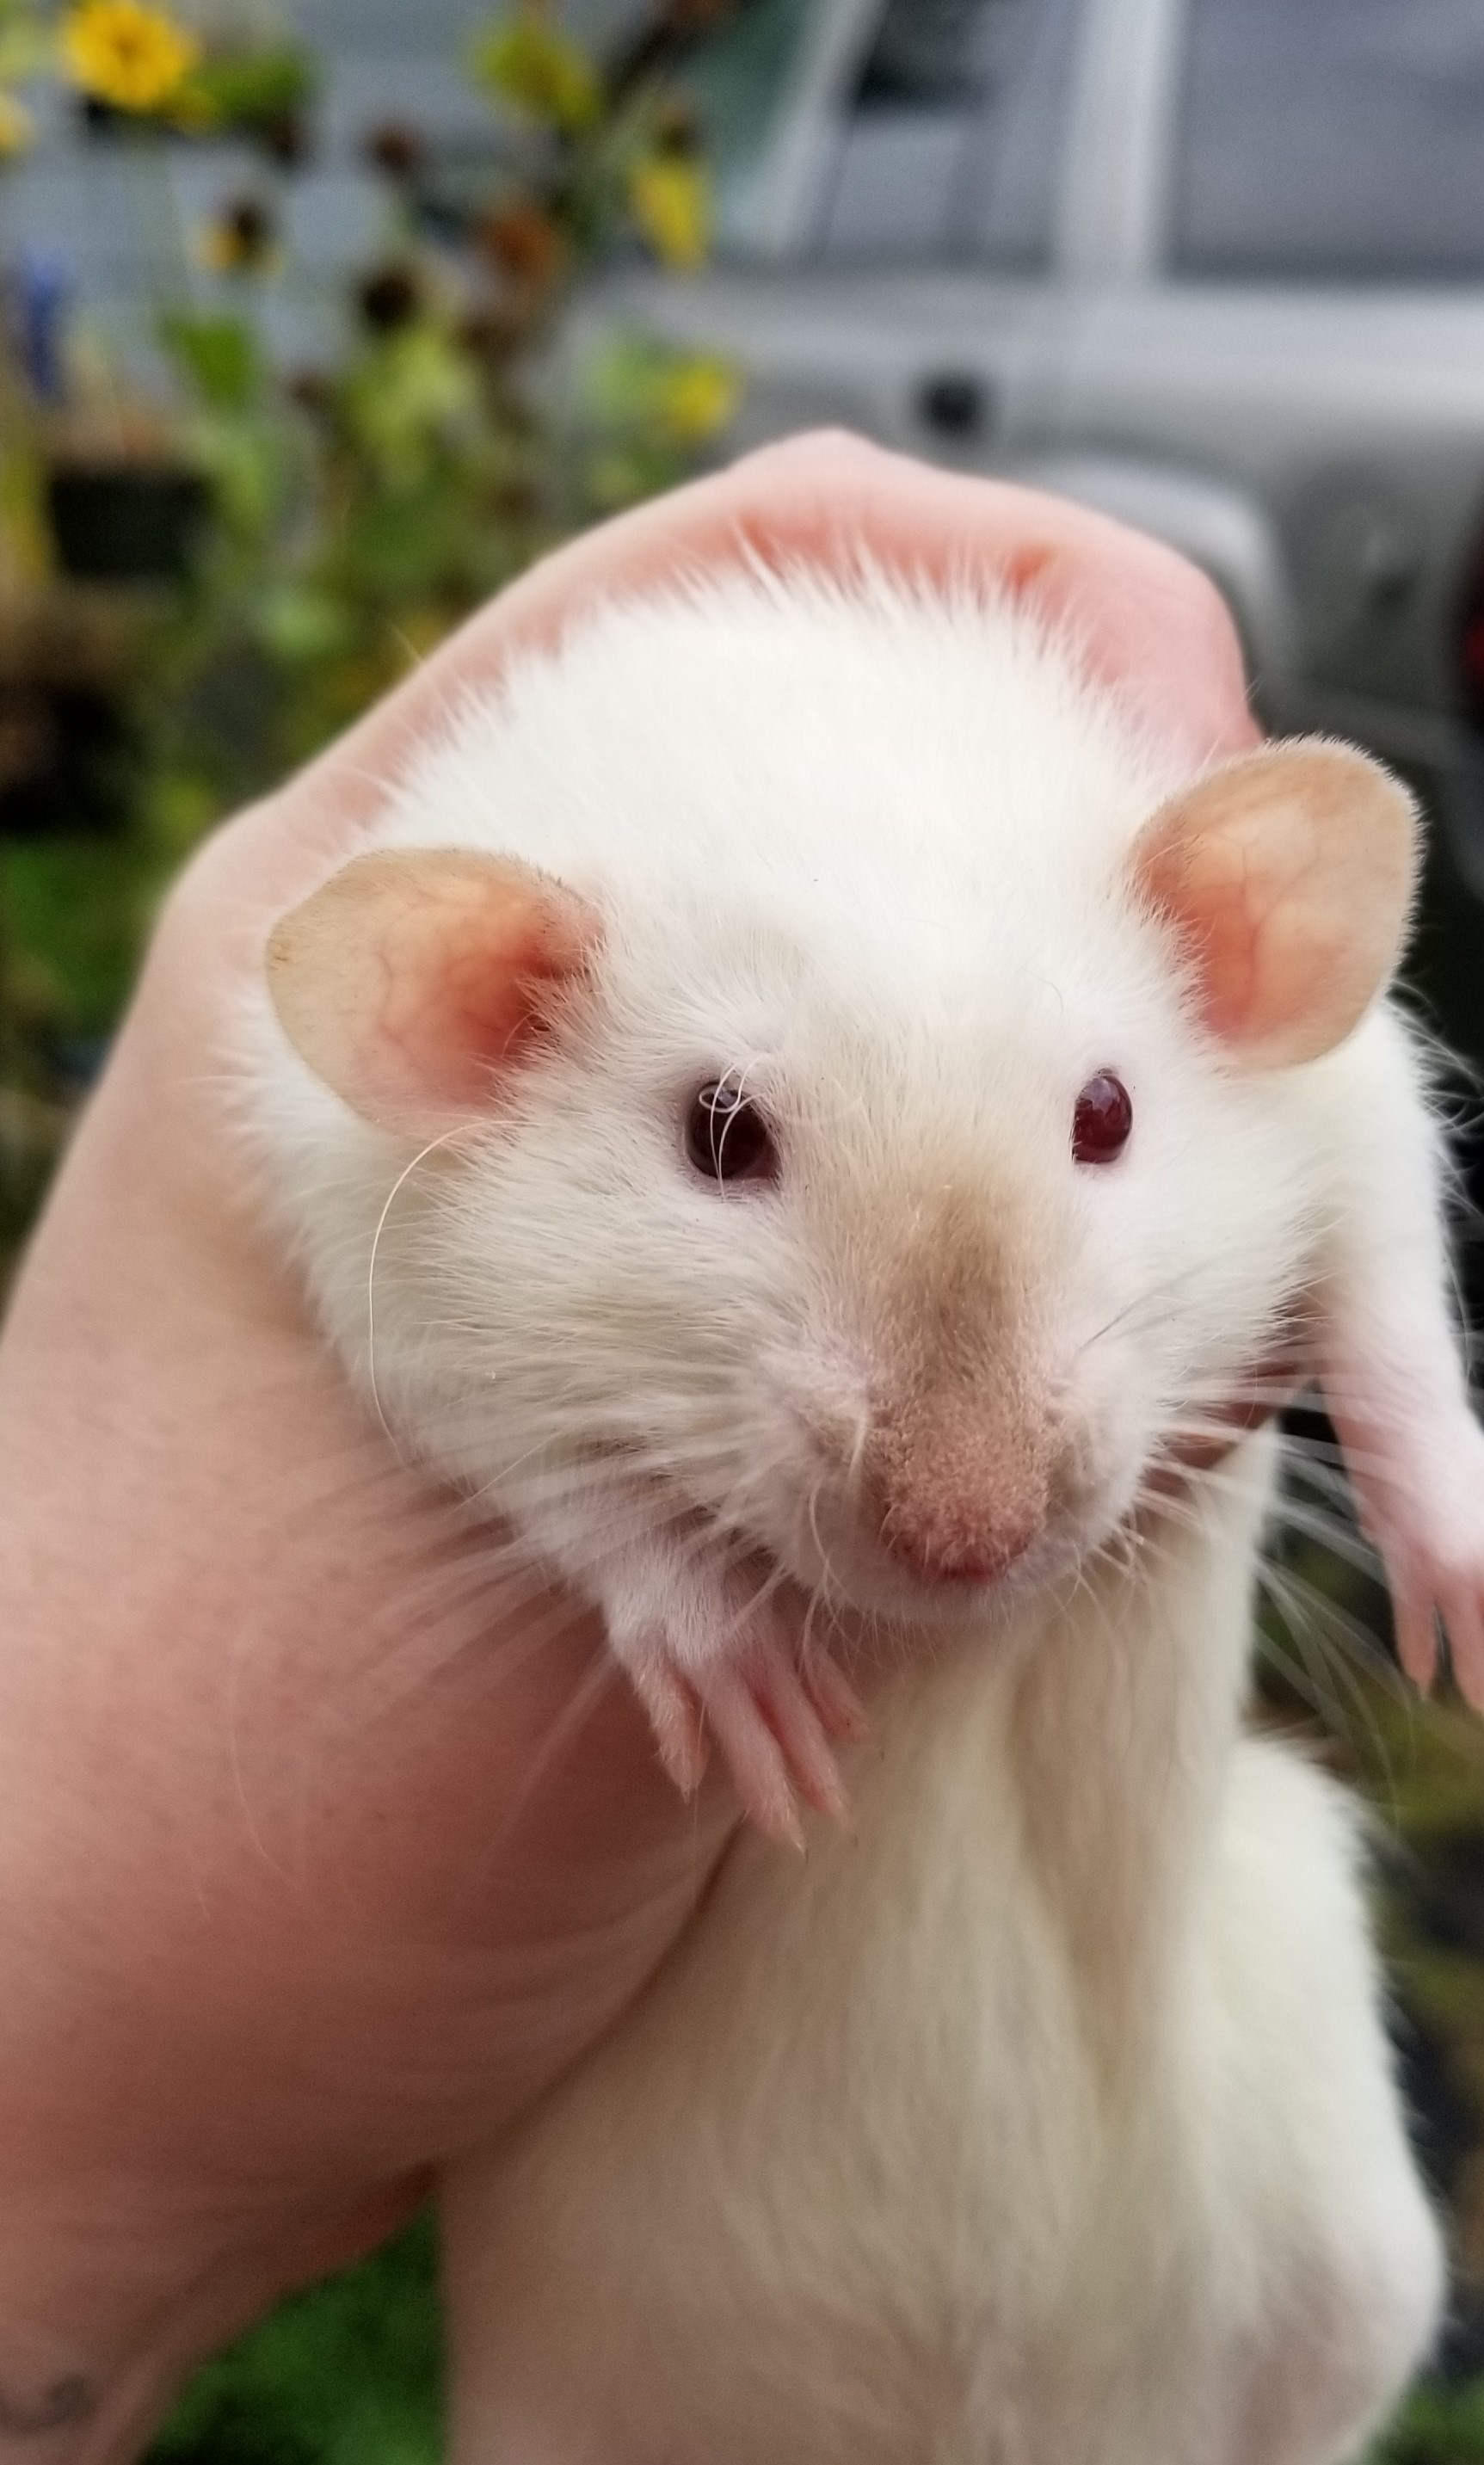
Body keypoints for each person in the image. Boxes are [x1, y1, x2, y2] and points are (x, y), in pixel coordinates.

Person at [0, 432, 1258, 2462]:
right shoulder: (464, 1048)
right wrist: (635, 1551)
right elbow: (381, 1251)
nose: (963, 1509)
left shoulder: (1031, 835)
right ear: (471, 1005)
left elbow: (1333, 1107)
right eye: (730, 1142)